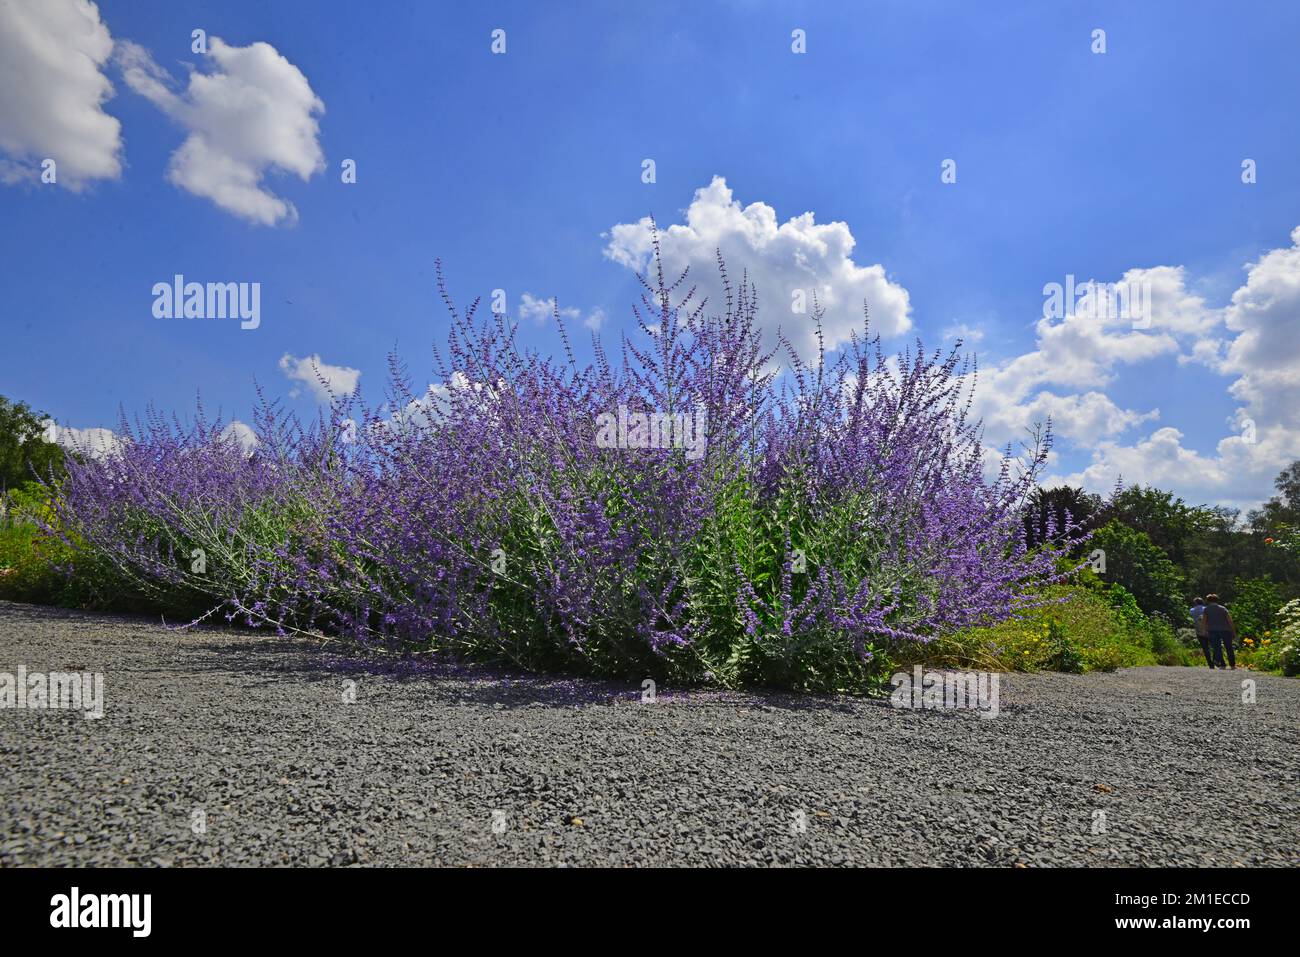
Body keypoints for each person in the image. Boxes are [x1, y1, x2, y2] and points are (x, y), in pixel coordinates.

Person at [1201, 594, 1237, 669]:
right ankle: (1232, 665)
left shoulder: (1206, 609)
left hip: (1213, 630)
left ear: (1208, 601)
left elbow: (1204, 621)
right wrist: (1233, 631)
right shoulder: (1223, 608)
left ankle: (1222, 664)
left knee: (1217, 648)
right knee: (1229, 647)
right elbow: (1230, 620)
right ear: (1217, 600)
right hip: (1225, 630)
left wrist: (1204, 631)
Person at [1189, 597, 1215, 667]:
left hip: (1199, 630)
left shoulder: (1192, 610)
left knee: (1205, 648)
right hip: (1209, 630)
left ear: (1195, 603)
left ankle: (1210, 664)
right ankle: (1216, 660)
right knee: (1214, 646)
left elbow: (1191, 615)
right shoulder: (1206, 609)